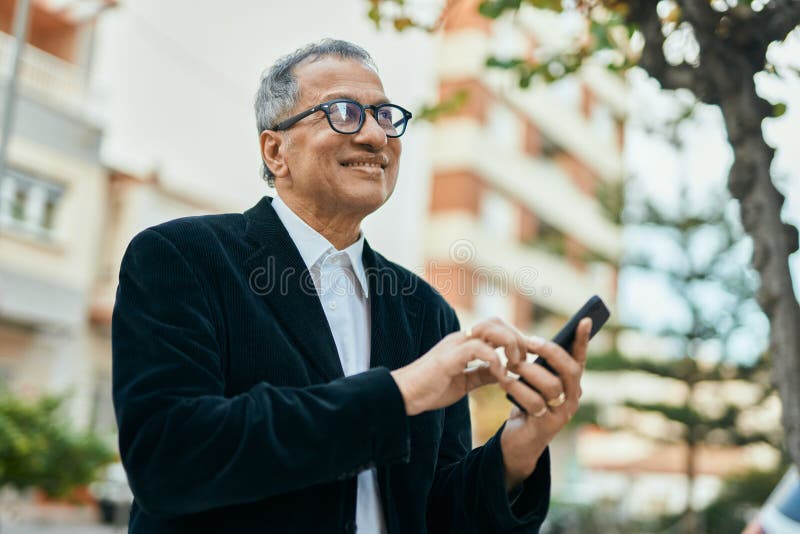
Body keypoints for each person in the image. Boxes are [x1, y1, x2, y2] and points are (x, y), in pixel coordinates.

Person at [112, 38, 592, 533]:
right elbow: (169, 456)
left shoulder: (425, 311)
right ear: (275, 150)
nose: (375, 137)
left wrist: (518, 448)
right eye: (343, 112)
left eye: (386, 117)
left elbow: (435, 515)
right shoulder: (182, 258)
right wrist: (399, 393)